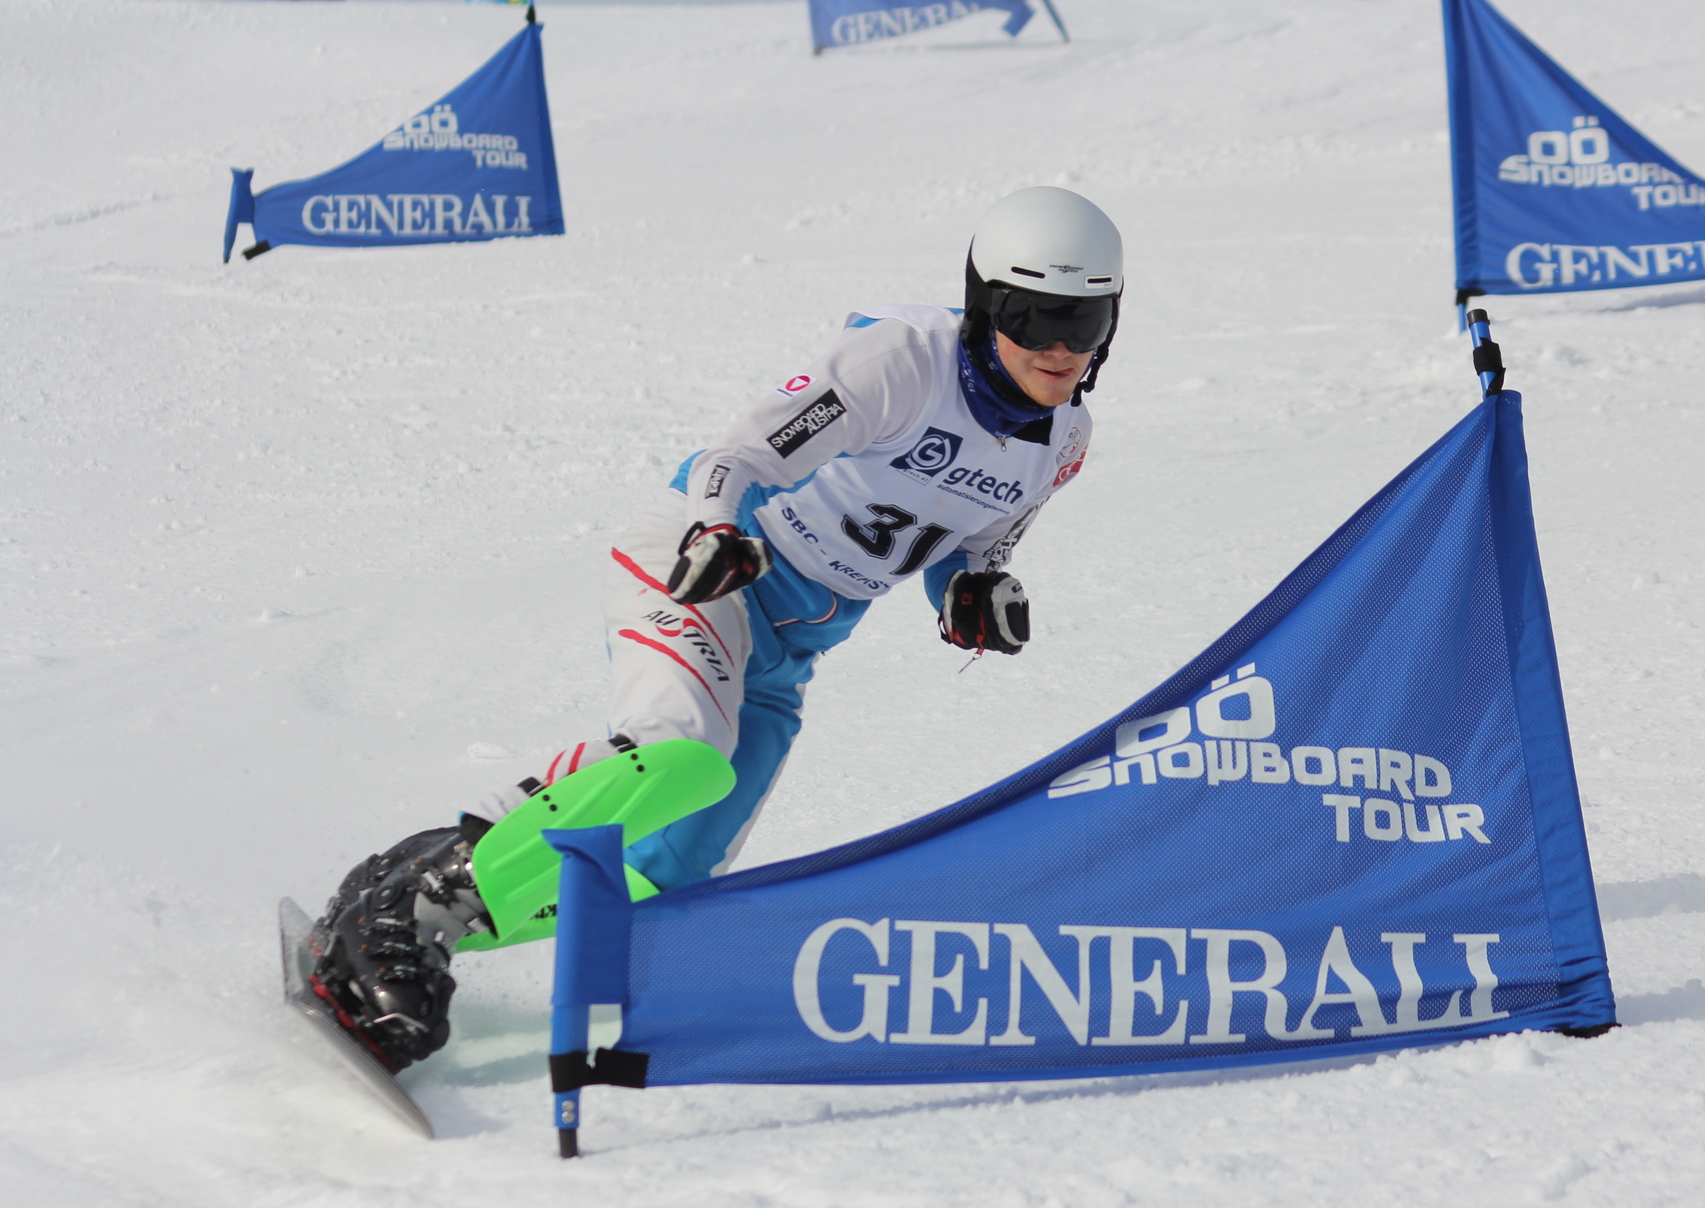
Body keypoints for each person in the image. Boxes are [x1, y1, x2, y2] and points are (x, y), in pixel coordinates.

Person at [304, 187, 1124, 1071]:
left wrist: (971, 596)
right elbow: (737, 455)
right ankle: (413, 902)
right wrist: (718, 528)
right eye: (1034, 315)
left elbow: (969, 552)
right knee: (678, 751)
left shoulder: (1062, 442)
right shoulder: (901, 362)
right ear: (984, 305)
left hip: (791, 650)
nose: (1060, 348)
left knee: (673, 870)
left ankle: (435, 925)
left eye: (1085, 322)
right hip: (708, 572)